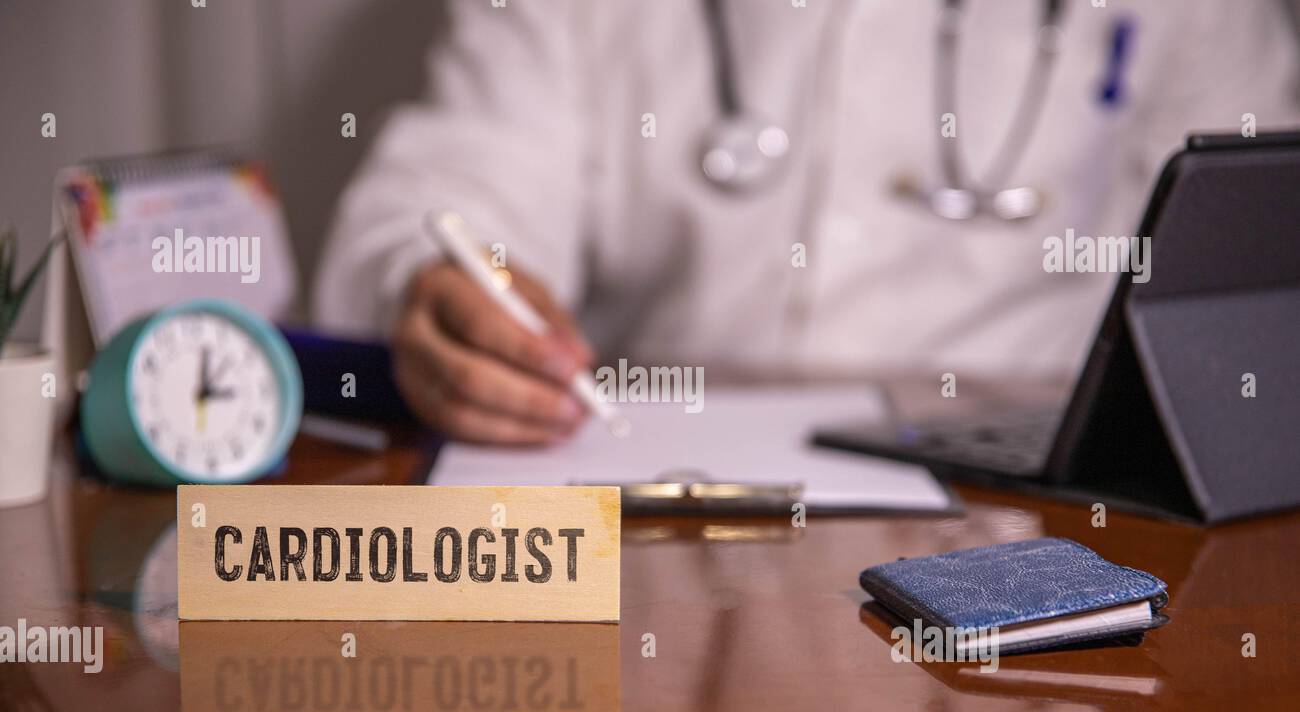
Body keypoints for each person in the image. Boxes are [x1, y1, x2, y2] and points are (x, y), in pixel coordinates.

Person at [314, 0, 1299, 444]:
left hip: (1028, 517)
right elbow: (447, 191)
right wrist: (437, 291)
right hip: (666, 504)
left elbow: (1256, 260)